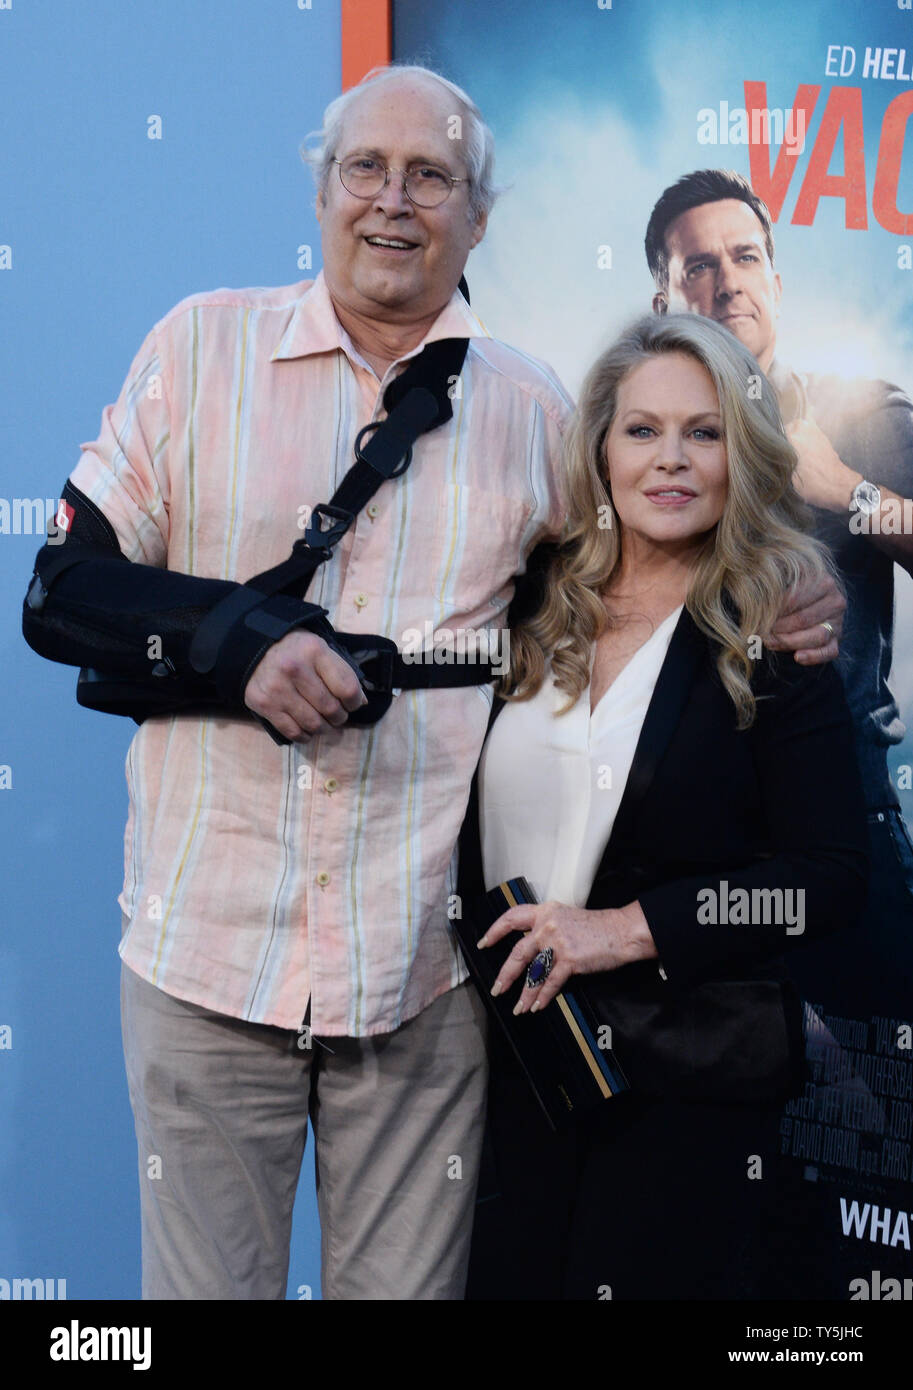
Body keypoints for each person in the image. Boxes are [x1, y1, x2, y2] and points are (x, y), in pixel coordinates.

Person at [20, 72, 843, 1302]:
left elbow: (653, 546)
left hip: (423, 987)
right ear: (320, 191)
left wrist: (789, 578)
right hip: (205, 964)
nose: (393, 202)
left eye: (431, 177)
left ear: (479, 216)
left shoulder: (534, 411)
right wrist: (239, 641)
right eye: (366, 168)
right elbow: (59, 593)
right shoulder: (196, 348)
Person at [458, 312, 869, 1301]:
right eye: (642, 430)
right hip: (498, 1070)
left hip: (677, 1084)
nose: (670, 459)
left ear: (741, 452)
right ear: (600, 448)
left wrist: (626, 930)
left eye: (704, 432)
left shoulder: (773, 629)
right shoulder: (521, 598)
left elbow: (827, 880)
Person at [644, 169, 913, 1021]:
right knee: (717, 1103)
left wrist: (846, 492)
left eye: (744, 257)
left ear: (776, 281)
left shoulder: (858, 415)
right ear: (661, 300)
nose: (726, 282)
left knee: (881, 1095)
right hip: (682, 856)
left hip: (843, 834)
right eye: (697, 266)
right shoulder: (630, 446)